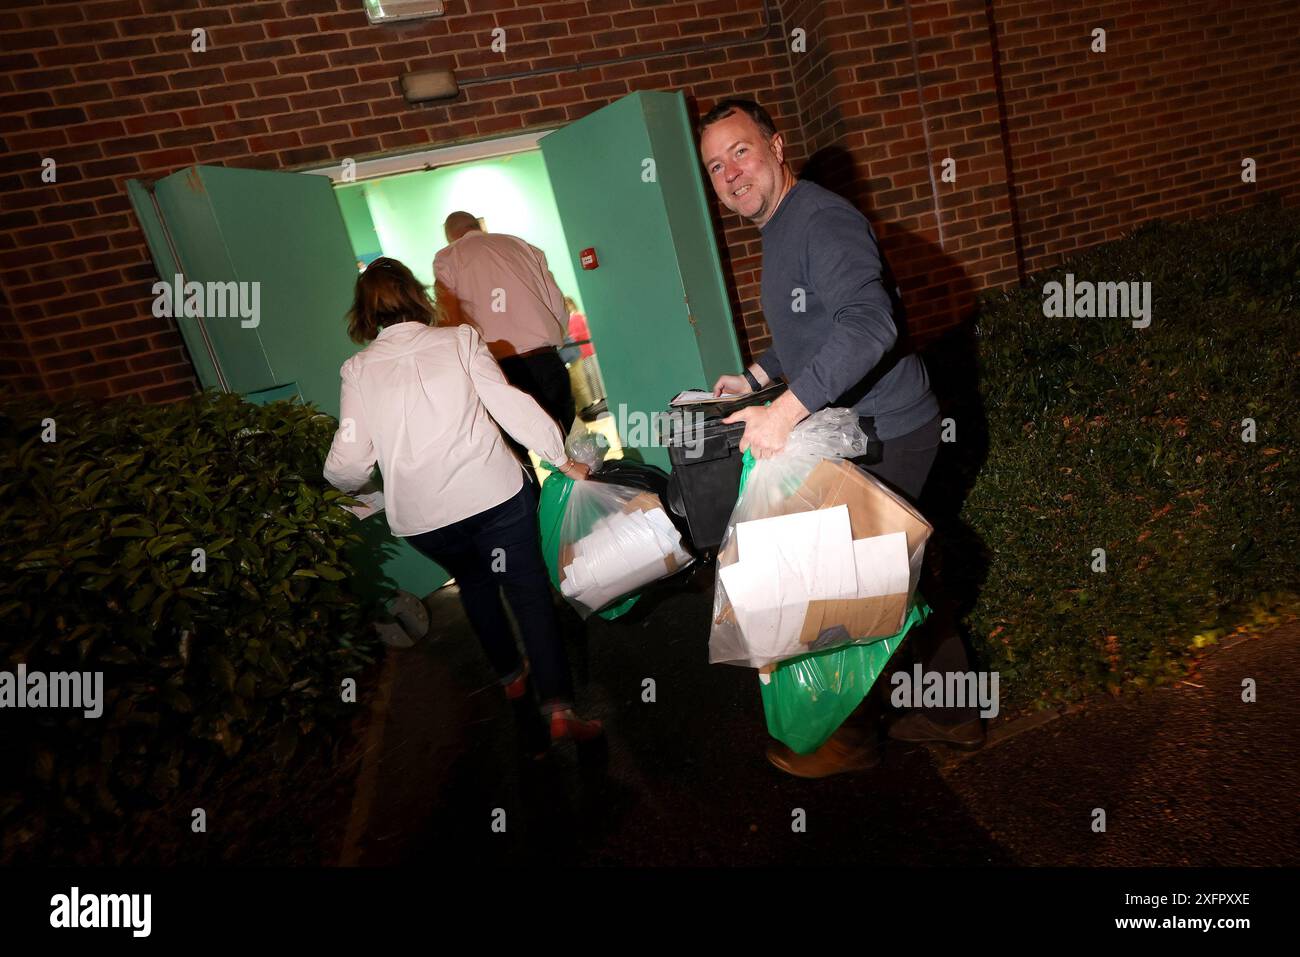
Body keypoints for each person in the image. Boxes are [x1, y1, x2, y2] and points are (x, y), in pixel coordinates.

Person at [697, 98, 984, 777]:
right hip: (869, 429)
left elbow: (868, 325)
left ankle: (848, 734)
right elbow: (814, 324)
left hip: (891, 433)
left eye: (741, 151)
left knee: (842, 582)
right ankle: (955, 712)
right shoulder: (782, 225)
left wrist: (785, 410)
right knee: (890, 576)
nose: (731, 173)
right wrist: (758, 374)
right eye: (715, 166)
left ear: (776, 143)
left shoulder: (820, 219)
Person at [323, 257, 603, 753]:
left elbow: (347, 459)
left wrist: (361, 491)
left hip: (425, 519)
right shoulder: (459, 341)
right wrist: (561, 460)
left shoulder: (358, 370)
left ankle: (511, 676)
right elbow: (509, 404)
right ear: (417, 296)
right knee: (529, 594)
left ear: (363, 312)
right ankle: (560, 708)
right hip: (493, 497)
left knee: (474, 584)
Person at [433, 213, 577, 471]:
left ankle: (532, 507)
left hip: (498, 372)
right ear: (478, 226)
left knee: (516, 461)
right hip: (545, 360)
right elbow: (556, 302)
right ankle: (575, 506)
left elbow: (450, 319)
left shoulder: (447, 258)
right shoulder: (522, 246)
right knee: (565, 451)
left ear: (450, 235)